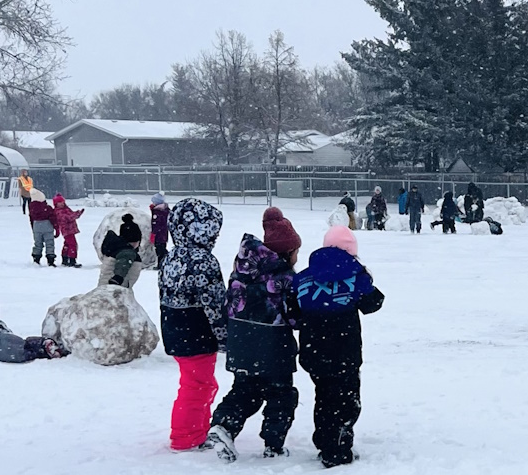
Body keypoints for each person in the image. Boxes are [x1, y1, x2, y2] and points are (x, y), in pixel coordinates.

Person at [206, 208, 301, 462]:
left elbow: (229, 304)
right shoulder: (285, 277)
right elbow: (294, 317)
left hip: (241, 342)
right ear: (287, 252)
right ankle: (274, 444)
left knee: (244, 390)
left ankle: (223, 426)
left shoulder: (241, 271)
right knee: (281, 395)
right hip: (274, 346)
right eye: (296, 252)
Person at [288, 226, 384, 469]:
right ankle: (338, 447)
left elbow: (293, 312)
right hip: (345, 350)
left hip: (313, 350)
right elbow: (373, 303)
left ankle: (325, 439)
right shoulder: (355, 275)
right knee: (346, 399)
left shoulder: (303, 277)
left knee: (323, 395)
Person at [159, 198, 227, 452]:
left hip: (175, 327)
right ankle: (185, 436)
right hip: (197, 330)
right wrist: (225, 336)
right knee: (197, 386)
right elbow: (215, 303)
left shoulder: (170, 257)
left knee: (197, 383)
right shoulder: (203, 260)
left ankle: (197, 429)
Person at [100, 214, 144, 288]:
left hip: (105, 286)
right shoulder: (127, 252)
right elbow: (123, 263)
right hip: (114, 288)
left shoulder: (117, 248)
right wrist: (118, 278)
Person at [53, 194, 85, 268]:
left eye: (62, 202)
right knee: (72, 244)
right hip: (66, 230)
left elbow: (71, 215)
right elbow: (68, 217)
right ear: (56, 204)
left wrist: (76, 213)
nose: (62, 204)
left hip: (70, 229)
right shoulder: (58, 211)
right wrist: (76, 214)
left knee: (67, 244)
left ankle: (65, 258)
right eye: (59, 202)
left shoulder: (66, 209)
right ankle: (72, 260)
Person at [28, 189, 57, 267]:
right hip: (47, 226)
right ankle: (50, 259)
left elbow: (31, 218)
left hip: (36, 226)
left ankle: (36, 258)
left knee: (38, 243)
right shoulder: (47, 208)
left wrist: (33, 228)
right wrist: (56, 228)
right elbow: (53, 218)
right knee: (49, 243)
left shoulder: (31, 208)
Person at [150, 192, 170, 269]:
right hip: (164, 233)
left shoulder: (158, 212)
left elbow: (156, 224)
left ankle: (161, 265)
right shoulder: (165, 210)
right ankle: (164, 263)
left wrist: (153, 234)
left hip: (159, 234)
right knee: (162, 248)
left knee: (160, 250)